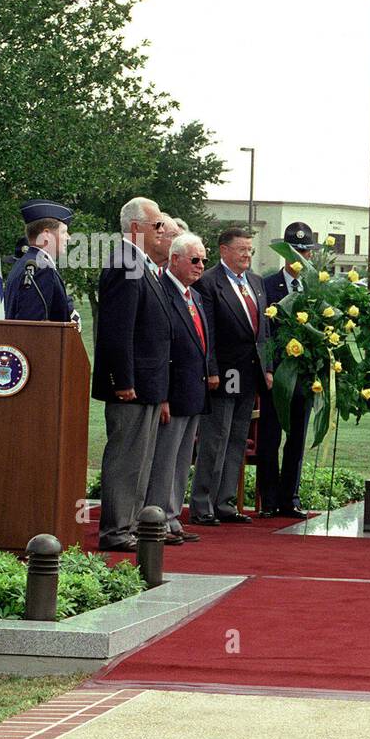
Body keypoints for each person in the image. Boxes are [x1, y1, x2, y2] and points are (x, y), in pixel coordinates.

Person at [92, 197, 172, 552]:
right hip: (132, 385)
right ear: (136, 227)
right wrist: (121, 381)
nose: (162, 230)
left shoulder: (141, 264)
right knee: (126, 459)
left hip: (148, 382)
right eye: (157, 225)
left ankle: (130, 526)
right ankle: (116, 531)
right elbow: (116, 330)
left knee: (140, 461)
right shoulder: (125, 263)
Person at [190, 228, 271, 525]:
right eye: (241, 249)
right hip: (223, 373)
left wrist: (268, 368)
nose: (247, 255)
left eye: (250, 249)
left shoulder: (256, 283)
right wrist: (210, 370)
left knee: (238, 436)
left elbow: (264, 332)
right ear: (224, 251)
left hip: (250, 374)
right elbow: (207, 331)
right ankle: (202, 505)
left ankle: (225, 503)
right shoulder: (208, 283)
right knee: (215, 437)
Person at [144, 233, 212, 545]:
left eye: (203, 260)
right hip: (172, 392)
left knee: (183, 459)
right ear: (175, 260)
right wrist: (163, 396)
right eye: (194, 260)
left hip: (193, 392)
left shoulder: (194, 296)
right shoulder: (162, 292)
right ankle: (158, 518)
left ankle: (172, 517)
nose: (201, 266)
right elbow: (161, 348)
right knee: (165, 460)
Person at [258, 221, 318, 519]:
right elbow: (263, 333)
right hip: (276, 375)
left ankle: (289, 498)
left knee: (297, 438)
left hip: (305, 376)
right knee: (270, 437)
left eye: (305, 252)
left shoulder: (316, 287)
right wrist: (268, 369)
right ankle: (268, 498)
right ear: (285, 253)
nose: (300, 258)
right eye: (295, 251)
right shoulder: (266, 285)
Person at [3, 200, 78, 324]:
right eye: (64, 232)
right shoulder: (42, 269)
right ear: (47, 235)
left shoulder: (23, 263)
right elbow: (34, 327)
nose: (68, 237)